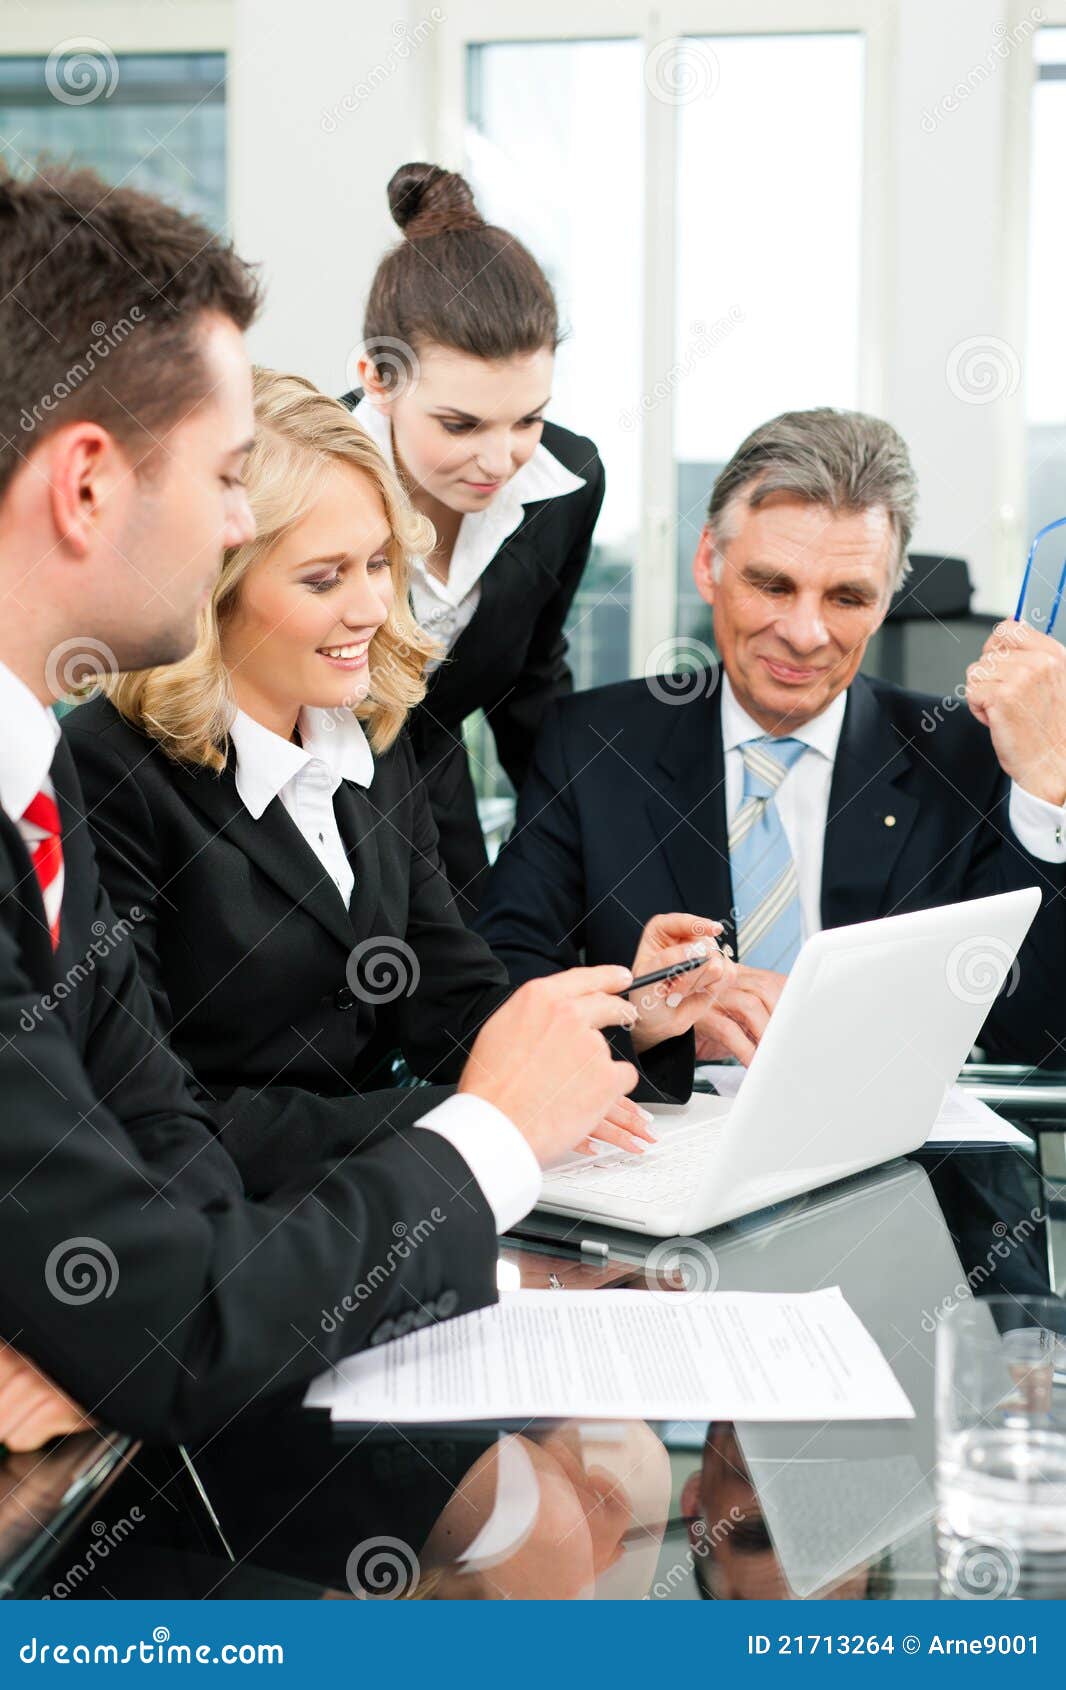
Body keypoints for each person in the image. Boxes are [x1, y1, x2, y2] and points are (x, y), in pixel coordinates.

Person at [0, 161, 714, 1449]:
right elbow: (167, 1228)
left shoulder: (43, 775)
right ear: (88, 484)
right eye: (227, 478)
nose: (232, 520)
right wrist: (487, 1125)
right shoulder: (87, 770)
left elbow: (158, 1143)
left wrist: (618, 1017)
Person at [65, 368, 724, 1195]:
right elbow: (150, 1114)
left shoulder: (374, 732)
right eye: (324, 577)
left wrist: (633, 1021)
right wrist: (475, 1118)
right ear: (212, 589)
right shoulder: (105, 769)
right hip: (230, 1241)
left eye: (379, 563)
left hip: (383, 1206)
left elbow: (453, 1002)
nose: (373, 607)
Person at [476, 407, 1066, 1067]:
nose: (805, 633)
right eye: (773, 584)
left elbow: (1042, 1037)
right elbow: (505, 990)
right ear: (709, 564)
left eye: (846, 598)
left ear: (882, 603)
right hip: (665, 1140)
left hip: (906, 1153)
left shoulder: (966, 757)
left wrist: (1047, 793)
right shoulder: (591, 745)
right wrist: (641, 1024)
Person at [341, 161, 606, 916]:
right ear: (378, 380)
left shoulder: (566, 486)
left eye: (528, 419)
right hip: (271, 799)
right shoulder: (289, 476)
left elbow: (529, 677)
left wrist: (586, 838)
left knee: (475, 990)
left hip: (431, 785)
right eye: (461, 425)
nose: (500, 461)